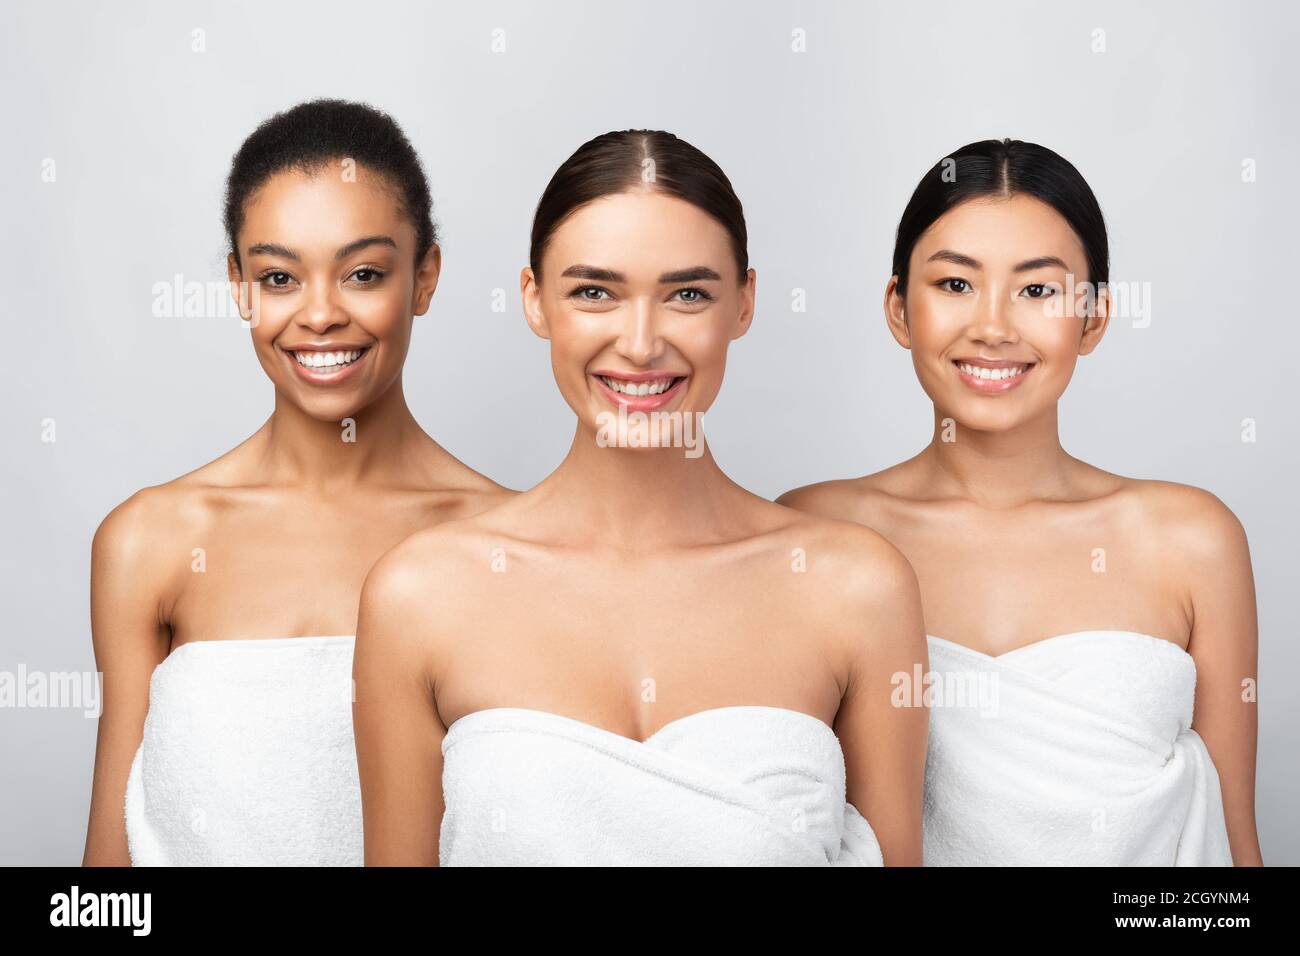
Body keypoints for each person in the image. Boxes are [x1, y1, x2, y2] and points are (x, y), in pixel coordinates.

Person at [353, 129, 928, 866]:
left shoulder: (855, 588)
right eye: (594, 292)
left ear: (744, 303)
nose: (640, 342)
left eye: (687, 294)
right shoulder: (420, 593)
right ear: (534, 300)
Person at [780, 139, 1261, 866]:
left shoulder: (1192, 540)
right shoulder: (816, 529)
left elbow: (1231, 848)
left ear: (1094, 317)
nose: (994, 327)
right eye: (954, 285)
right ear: (899, 308)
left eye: (1038, 290)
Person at [82, 99, 512, 866]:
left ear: (426, 277)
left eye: (364, 274)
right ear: (240, 287)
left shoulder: (508, 544)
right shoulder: (150, 540)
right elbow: (108, 880)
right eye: (279, 277)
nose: (319, 314)